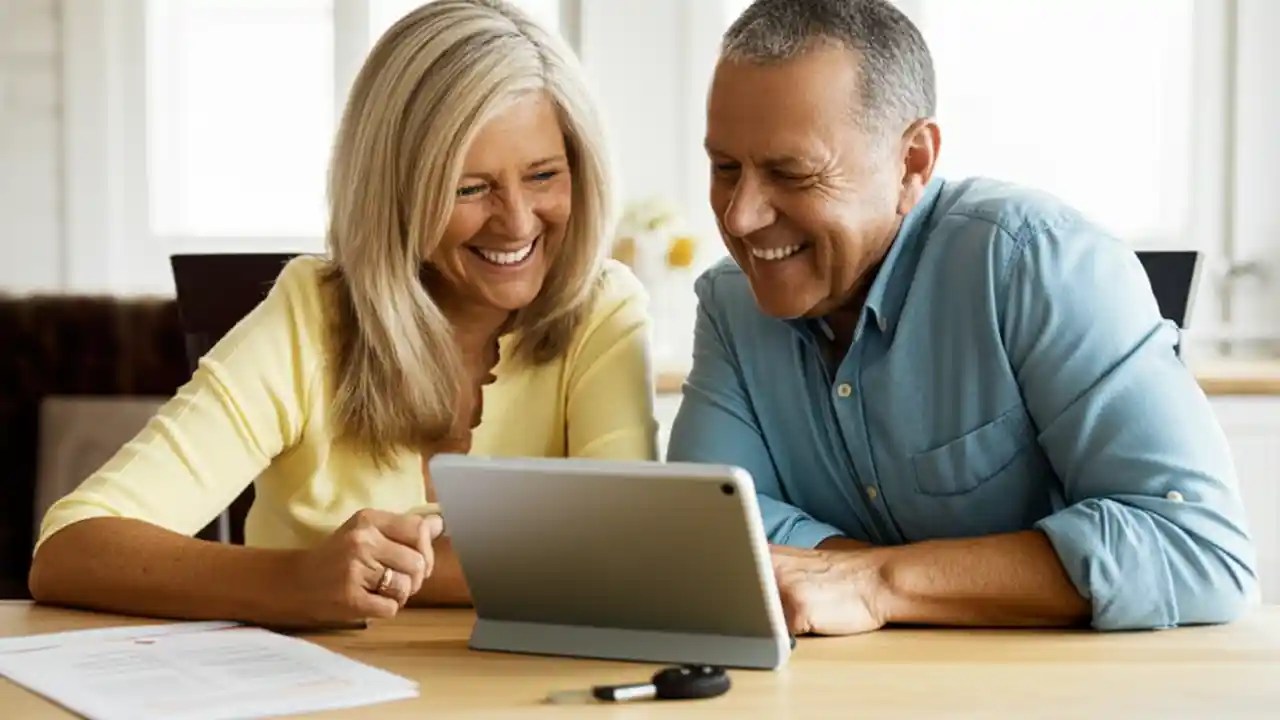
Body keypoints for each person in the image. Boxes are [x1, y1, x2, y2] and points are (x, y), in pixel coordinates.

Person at [30, 0, 657, 627]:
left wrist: (389, 575)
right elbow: (71, 547)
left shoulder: (603, 310)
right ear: (396, 189)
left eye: (543, 175)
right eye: (470, 187)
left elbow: (628, 551)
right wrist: (294, 580)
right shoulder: (312, 313)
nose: (518, 221)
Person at [668, 0, 1256, 634]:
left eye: (792, 173)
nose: (740, 217)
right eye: (725, 168)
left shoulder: (1036, 264)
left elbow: (1198, 550)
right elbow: (708, 535)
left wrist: (878, 585)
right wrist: (874, 579)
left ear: (913, 162)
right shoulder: (731, 304)